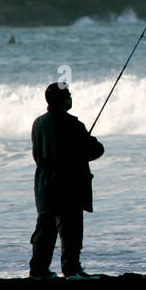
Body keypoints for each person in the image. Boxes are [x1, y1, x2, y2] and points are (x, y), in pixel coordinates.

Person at [29, 83, 104, 279]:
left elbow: (37, 154)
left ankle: (38, 270)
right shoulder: (72, 124)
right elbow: (95, 150)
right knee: (70, 230)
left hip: (44, 184)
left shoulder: (38, 123)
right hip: (68, 184)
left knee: (45, 230)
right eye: (69, 95)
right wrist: (90, 140)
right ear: (63, 100)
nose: (71, 98)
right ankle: (72, 270)